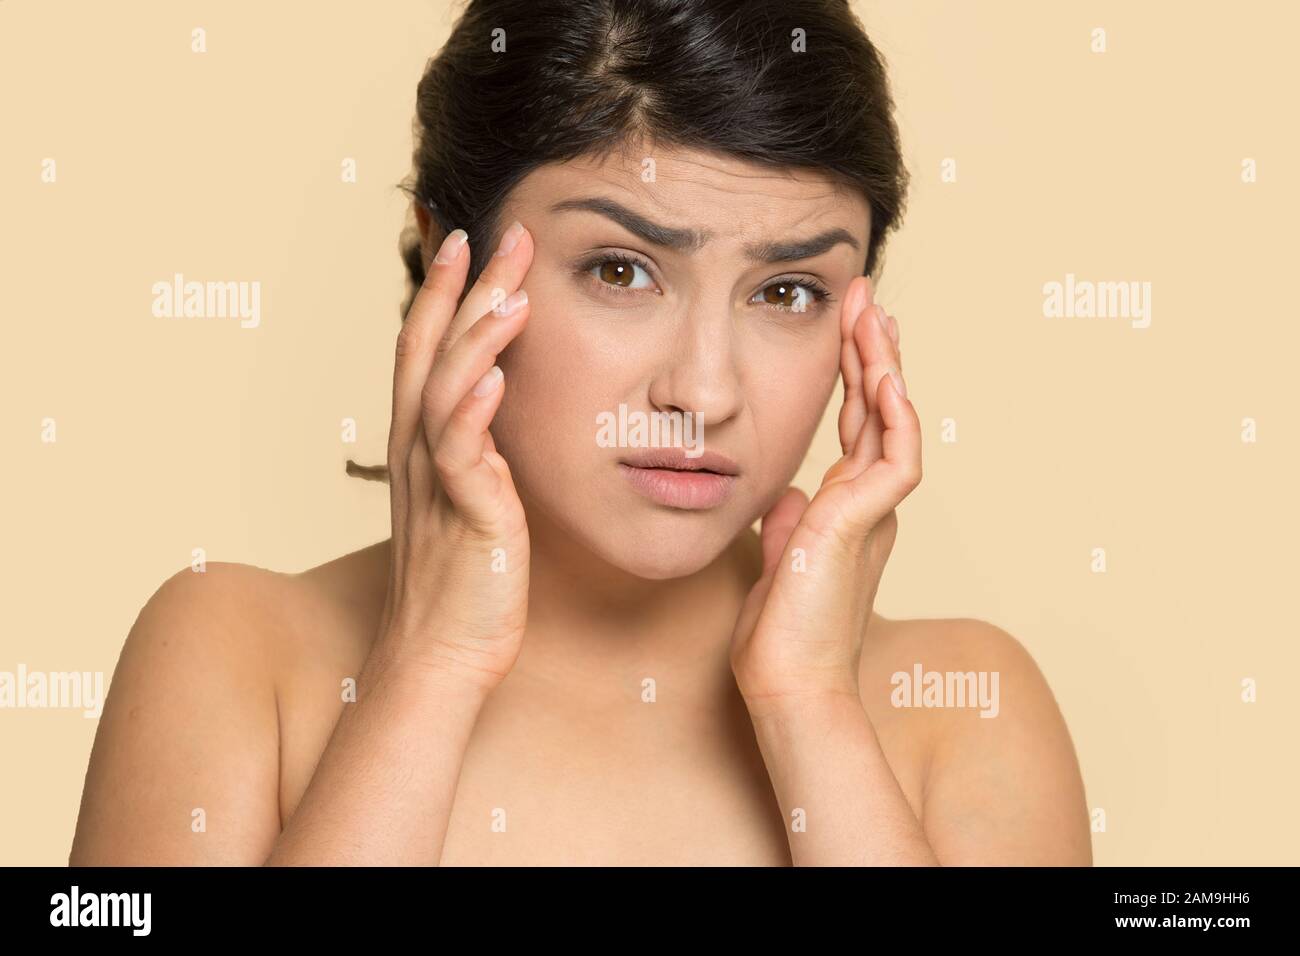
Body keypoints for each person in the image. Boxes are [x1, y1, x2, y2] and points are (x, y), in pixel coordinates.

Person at [69, 0, 1091, 866]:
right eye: (619, 270)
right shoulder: (233, 657)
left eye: (787, 289)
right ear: (447, 262)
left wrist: (809, 703)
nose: (704, 389)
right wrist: (430, 660)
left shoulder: (966, 711)